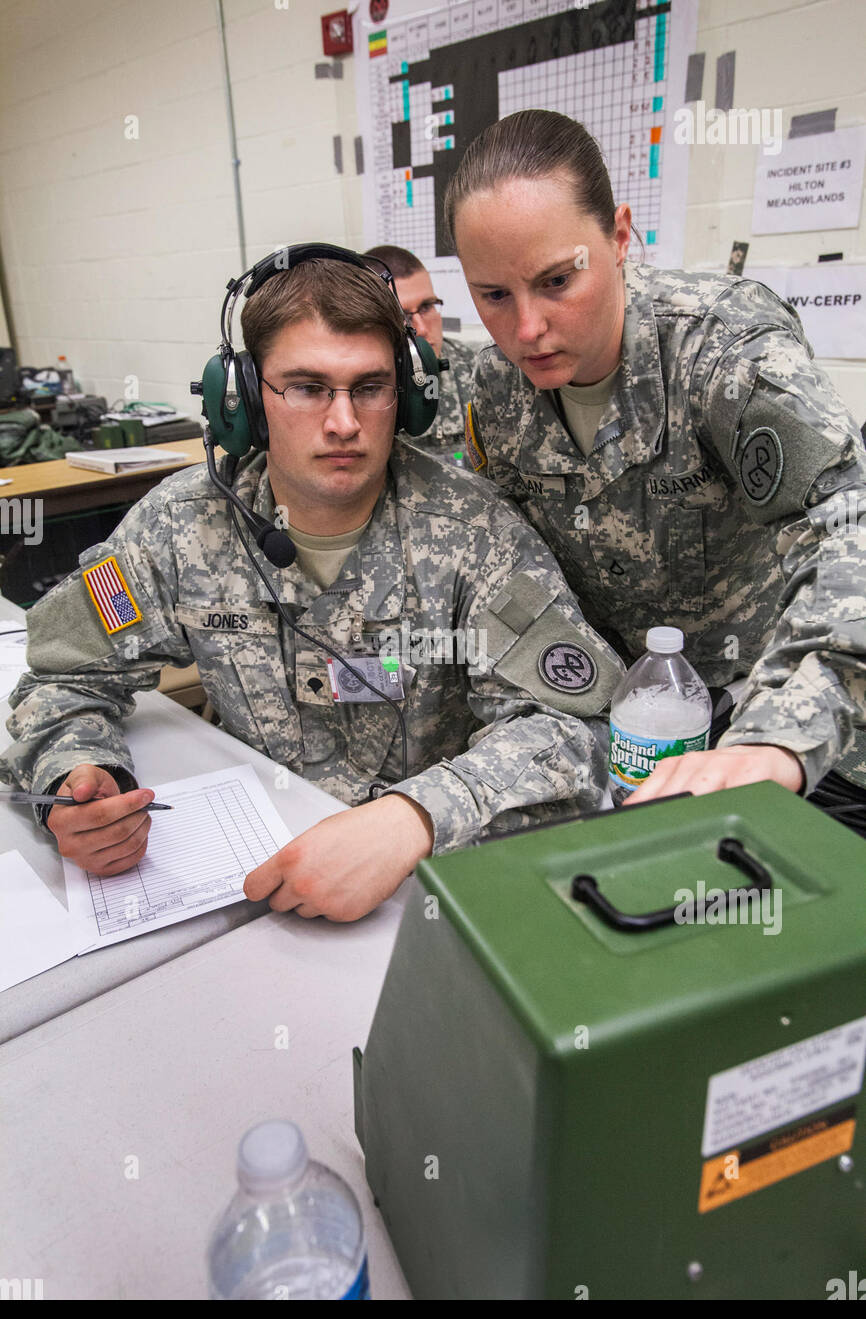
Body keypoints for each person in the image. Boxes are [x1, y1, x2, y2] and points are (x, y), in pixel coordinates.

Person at [0, 249, 625, 921]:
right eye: (306, 387)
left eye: (369, 387)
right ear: (243, 403)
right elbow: (62, 675)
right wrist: (76, 779)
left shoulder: (474, 532)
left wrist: (416, 816)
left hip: (420, 895)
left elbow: (578, 728)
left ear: (406, 396)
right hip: (241, 884)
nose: (344, 423)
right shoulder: (181, 527)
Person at [444, 109, 866, 807]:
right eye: (493, 295)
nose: (526, 329)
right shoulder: (495, 387)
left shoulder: (724, 348)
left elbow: (847, 525)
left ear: (617, 236)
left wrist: (780, 734)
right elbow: (511, 563)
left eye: (556, 281)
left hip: (762, 711)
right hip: (610, 721)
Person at [364, 244, 481, 467]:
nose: (422, 329)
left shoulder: (482, 372)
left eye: (427, 306)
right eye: (404, 316)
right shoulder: (355, 391)